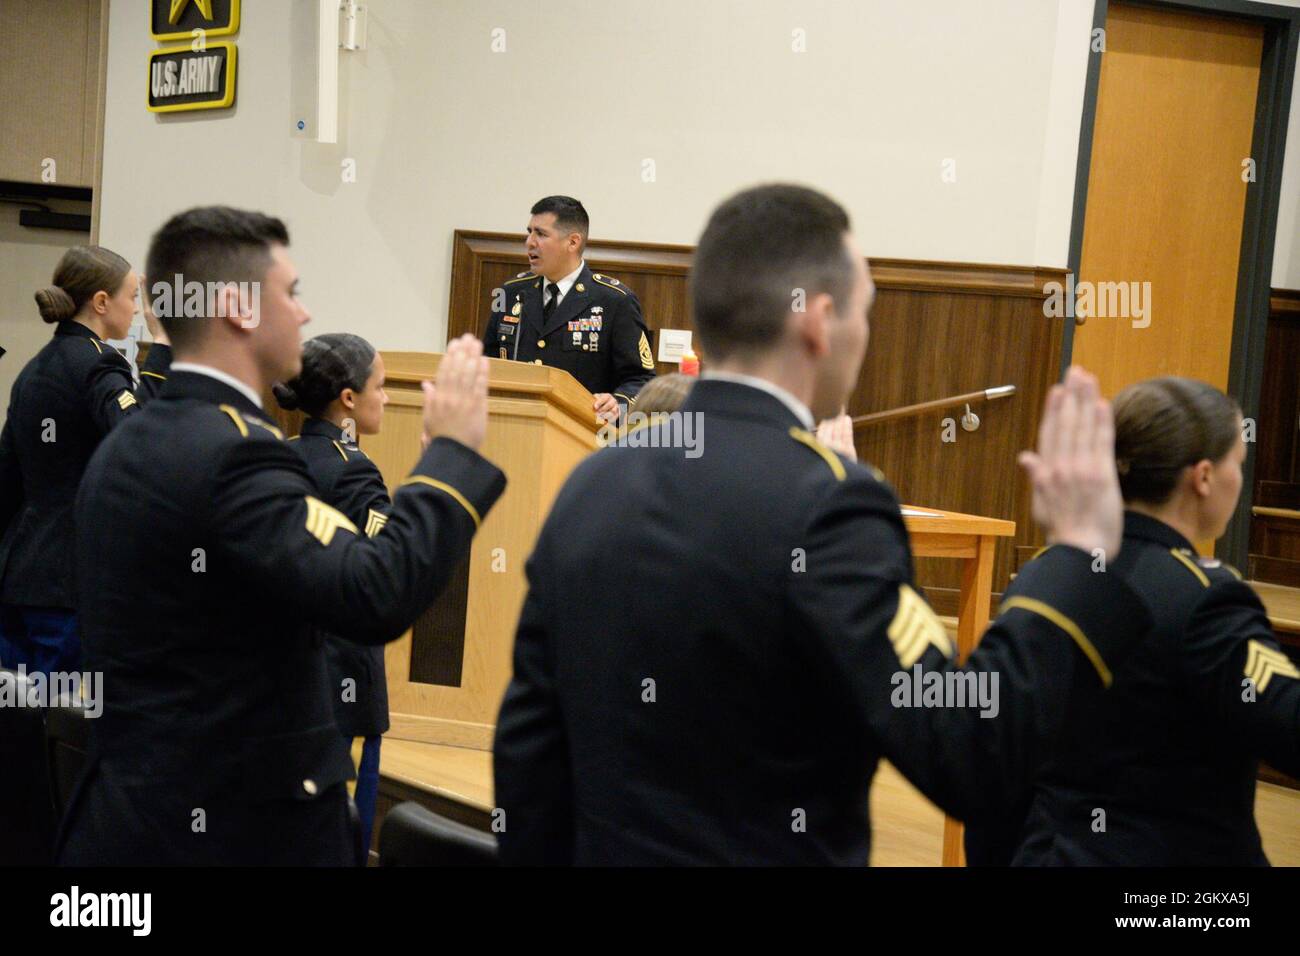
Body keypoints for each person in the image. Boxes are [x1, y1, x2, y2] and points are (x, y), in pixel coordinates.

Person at [492, 183, 1152, 865]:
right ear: (820, 320)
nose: (865, 337)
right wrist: (1076, 555)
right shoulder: (833, 506)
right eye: (866, 313)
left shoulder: (591, 483)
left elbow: (527, 755)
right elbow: (969, 747)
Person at [58, 207, 505, 866]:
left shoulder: (136, 438)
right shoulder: (234, 453)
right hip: (233, 831)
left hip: (133, 817)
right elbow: (377, 590)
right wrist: (451, 459)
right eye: (290, 293)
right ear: (239, 309)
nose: (302, 313)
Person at [968, 377, 1299, 866]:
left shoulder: (1047, 575)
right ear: (1204, 477)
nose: (1240, 480)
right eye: (1239, 463)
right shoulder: (1204, 601)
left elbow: (997, 766)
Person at [0, 246, 172, 675]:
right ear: (100, 302)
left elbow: (7, 478)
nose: (135, 311)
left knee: (18, 729)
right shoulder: (97, 363)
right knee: (64, 727)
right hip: (72, 580)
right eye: (132, 297)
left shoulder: (33, 370)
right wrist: (162, 348)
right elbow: (138, 442)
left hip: (19, 576)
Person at [274, 333, 392, 853]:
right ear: (348, 399)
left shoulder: (278, 454)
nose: (386, 398)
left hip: (283, 662)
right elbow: (380, 569)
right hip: (340, 663)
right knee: (340, 822)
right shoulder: (354, 469)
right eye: (381, 387)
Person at [482, 196, 655, 423]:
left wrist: (618, 403)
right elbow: (487, 365)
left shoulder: (614, 301)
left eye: (541, 234)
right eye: (529, 232)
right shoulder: (511, 293)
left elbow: (642, 380)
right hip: (514, 429)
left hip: (581, 436)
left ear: (573, 242)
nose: (529, 242)